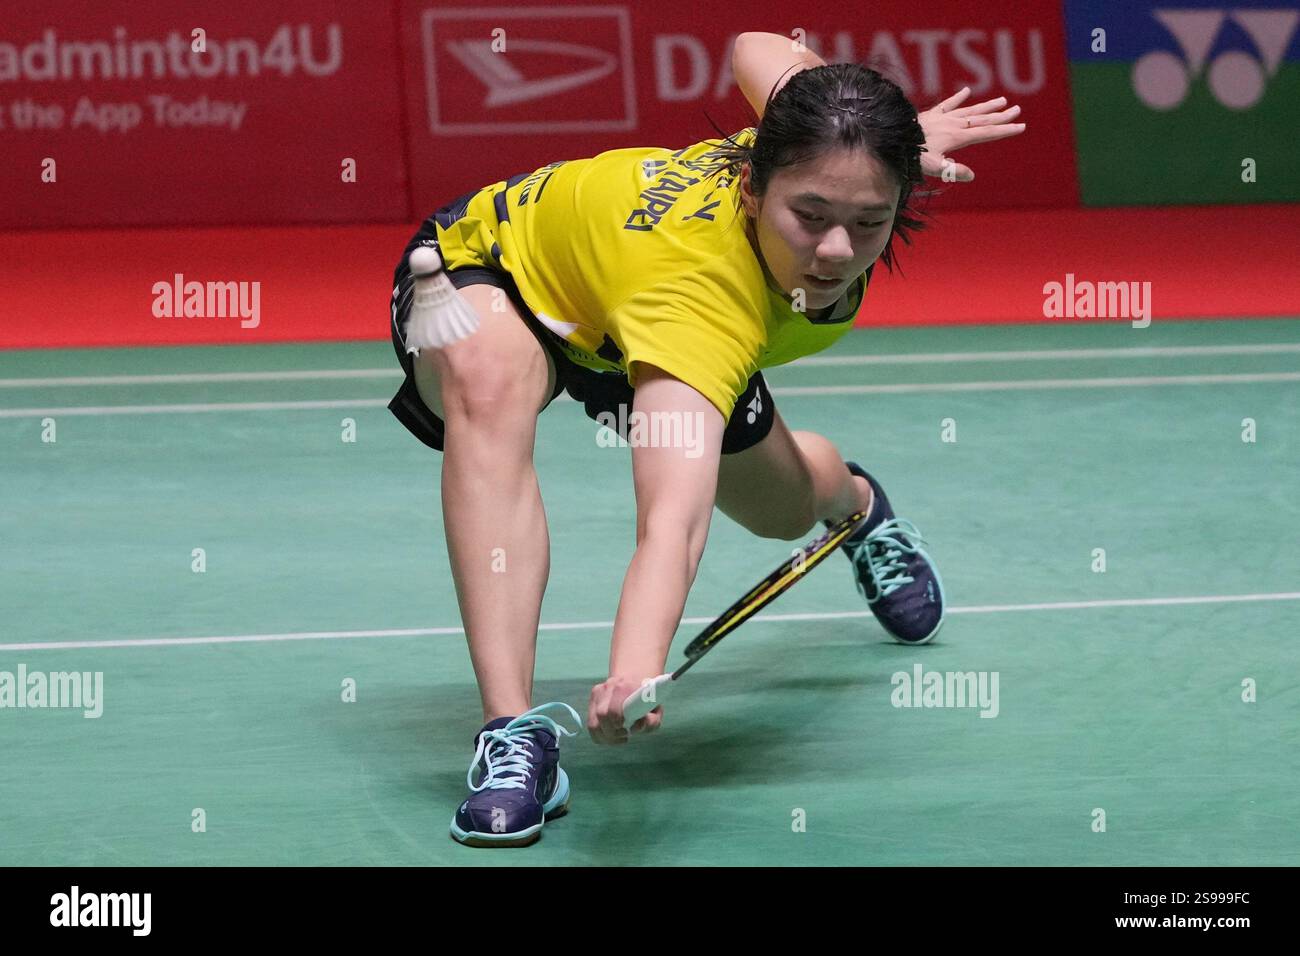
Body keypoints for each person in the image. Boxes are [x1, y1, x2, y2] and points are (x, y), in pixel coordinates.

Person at [386, 31, 1026, 846]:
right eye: (811, 214)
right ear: (755, 183)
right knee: (487, 379)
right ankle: (512, 736)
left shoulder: (818, 155)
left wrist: (890, 141)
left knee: (784, 508)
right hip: (506, 272)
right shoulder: (701, 295)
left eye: (869, 219)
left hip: (640, 327)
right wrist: (634, 669)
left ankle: (854, 505)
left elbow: (759, 47)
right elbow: (672, 522)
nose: (836, 251)